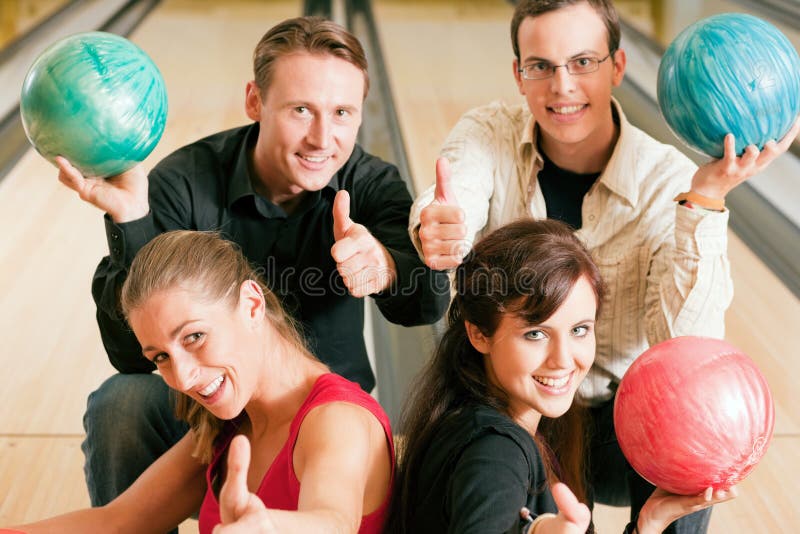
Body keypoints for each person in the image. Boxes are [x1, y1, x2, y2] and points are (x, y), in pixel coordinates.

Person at [409, 1, 798, 531]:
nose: (562, 86)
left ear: (618, 66)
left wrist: (705, 198)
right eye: (541, 65)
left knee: (699, 429)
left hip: (623, 425)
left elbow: (690, 353)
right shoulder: (490, 134)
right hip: (524, 407)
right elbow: (454, 194)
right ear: (519, 75)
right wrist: (441, 225)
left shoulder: (666, 180)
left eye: (583, 62)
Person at [54, 16, 448, 518]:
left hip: (316, 416)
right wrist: (130, 221)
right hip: (207, 405)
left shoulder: (369, 185)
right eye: (301, 110)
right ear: (255, 102)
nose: (322, 138)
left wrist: (388, 266)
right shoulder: (185, 184)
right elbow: (135, 354)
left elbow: (425, 306)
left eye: (343, 112)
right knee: (122, 404)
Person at [8, 230, 394, 533]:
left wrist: (273, 527)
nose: (184, 377)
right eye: (160, 357)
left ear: (252, 305)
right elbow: (117, 522)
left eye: (194, 337)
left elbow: (333, 521)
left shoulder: (335, 419)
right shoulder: (234, 422)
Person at [387, 219, 735, 534]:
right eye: (535, 334)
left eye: (580, 330)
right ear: (479, 334)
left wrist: (650, 523)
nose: (564, 359)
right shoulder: (495, 450)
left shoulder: (514, 424)